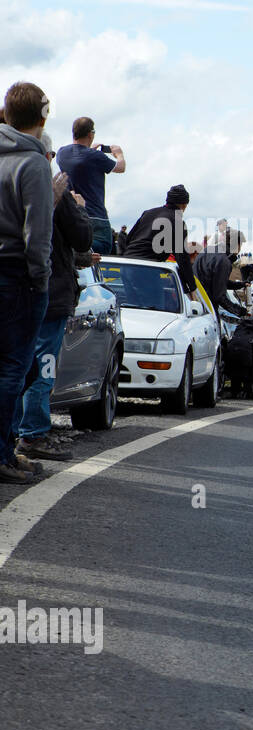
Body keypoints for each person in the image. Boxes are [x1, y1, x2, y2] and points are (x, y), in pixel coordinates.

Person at [16, 132, 94, 463]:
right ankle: (32, 434)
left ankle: (17, 434)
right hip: (45, 290)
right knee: (42, 365)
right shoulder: (50, 188)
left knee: (14, 366)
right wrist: (74, 207)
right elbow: (82, 237)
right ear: (47, 155)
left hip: (11, 289)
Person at [0, 81, 54, 484]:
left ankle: (6, 447)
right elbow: (37, 234)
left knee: (15, 367)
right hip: (19, 274)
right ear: (43, 115)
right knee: (17, 368)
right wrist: (41, 279)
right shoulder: (34, 163)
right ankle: (2, 452)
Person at [55, 116, 124, 257]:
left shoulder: (62, 153)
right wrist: (119, 154)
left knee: (75, 239)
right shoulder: (96, 157)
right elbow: (120, 168)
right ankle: (80, 253)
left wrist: (90, 150)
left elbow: (80, 160)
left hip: (72, 210)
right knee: (105, 245)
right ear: (90, 134)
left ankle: (77, 252)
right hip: (96, 215)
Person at [121, 184, 198, 296]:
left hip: (126, 267)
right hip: (147, 270)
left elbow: (129, 239)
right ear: (184, 205)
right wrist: (192, 287)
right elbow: (182, 257)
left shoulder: (148, 213)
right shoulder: (177, 221)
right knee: (155, 309)